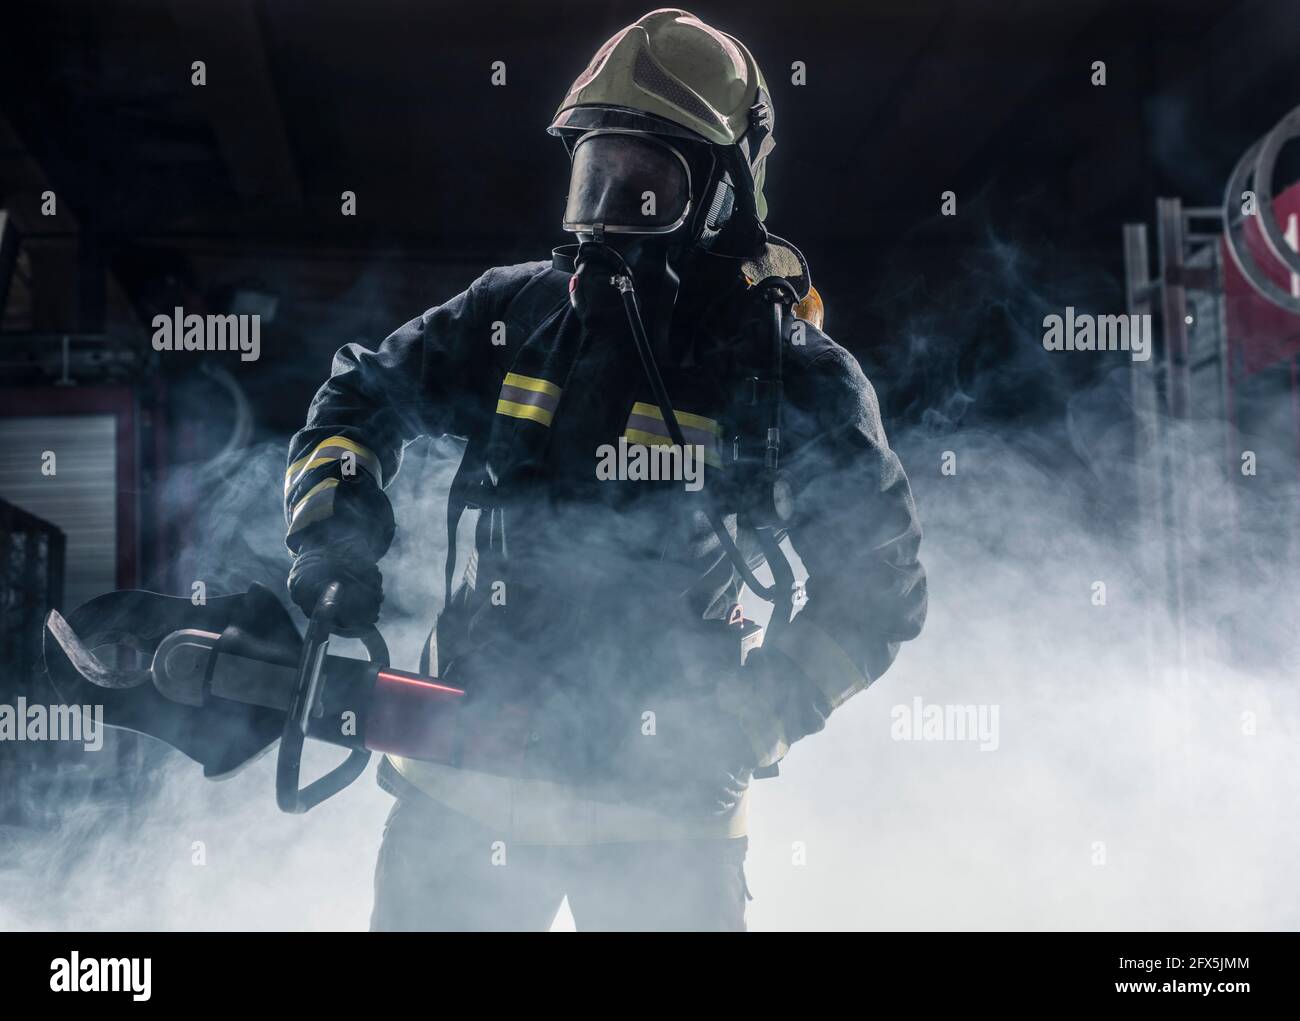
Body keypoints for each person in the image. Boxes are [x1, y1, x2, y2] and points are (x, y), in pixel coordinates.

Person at [283, 8, 926, 931]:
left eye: (647, 186)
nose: (611, 218)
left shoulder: (791, 373)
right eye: (596, 178)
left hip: (663, 821)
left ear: (722, 199)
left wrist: (745, 723)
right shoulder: (514, 313)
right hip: (463, 786)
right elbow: (355, 402)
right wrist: (336, 541)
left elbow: (882, 588)